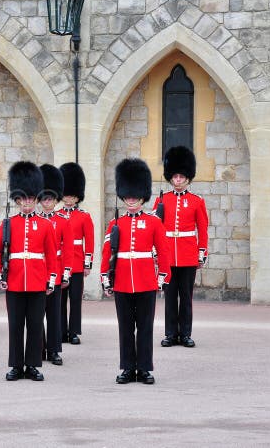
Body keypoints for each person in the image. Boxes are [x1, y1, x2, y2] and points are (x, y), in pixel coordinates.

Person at [100, 158, 171, 385]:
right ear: (123, 196)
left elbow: (163, 252)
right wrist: (105, 279)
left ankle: (145, 369)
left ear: (142, 196)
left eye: (135, 196)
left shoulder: (154, 222)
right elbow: (107, 253)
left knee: (145, 328)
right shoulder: (115, 224)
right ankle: (128, 368)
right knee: (125, 328)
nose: (131, 200)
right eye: (128, 197)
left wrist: (161, 278)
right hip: (121, 281)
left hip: (146, 282)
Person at [0, 162, 60, 381]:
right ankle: (16, 366)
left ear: (36, 199)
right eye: (24, 199)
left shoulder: (46, 225)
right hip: (15, 281)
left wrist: (51, 280)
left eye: (31, 199)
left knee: (35, 325)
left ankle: (32, 365)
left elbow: (51, 255)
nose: (27, 203)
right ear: (18, 200)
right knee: (16, 326)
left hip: (38, 282)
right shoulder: (8, 224)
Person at [152, 146, 209, 348]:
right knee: (169, 297)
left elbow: (202, 230)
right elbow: (154, 229)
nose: (177, 179)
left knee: (186, 297)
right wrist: (156, 254)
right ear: (170, 177)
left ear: (187, 178)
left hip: (188, 255)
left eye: (181, 176)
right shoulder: (162, 200)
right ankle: (170, 334)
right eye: (174, 176)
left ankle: (185, 334)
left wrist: (202, 254)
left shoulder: (196, 201)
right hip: (167, 255)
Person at [38, 164, 73, 366]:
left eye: (50, 198)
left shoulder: (63, 221)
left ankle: (54, 350)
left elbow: (68, 250)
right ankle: (40, 347)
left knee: (54, 314)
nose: (47, 202)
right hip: (37, 271)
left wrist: (66, 274)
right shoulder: (35, 220)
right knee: (36, 314)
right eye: (44, 198)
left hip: (56, 272)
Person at [59, 162, 94, 345]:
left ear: (77, 197)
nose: (68, 199)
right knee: (60, 300)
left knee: (75, 300)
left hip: (78, 264)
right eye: (65, 195)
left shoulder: (84, 216)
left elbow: (89, 242)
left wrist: (87, 264)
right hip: (61, 263)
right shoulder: (57, 216)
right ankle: (61, 331)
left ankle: (73, 331)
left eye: (71, 196)